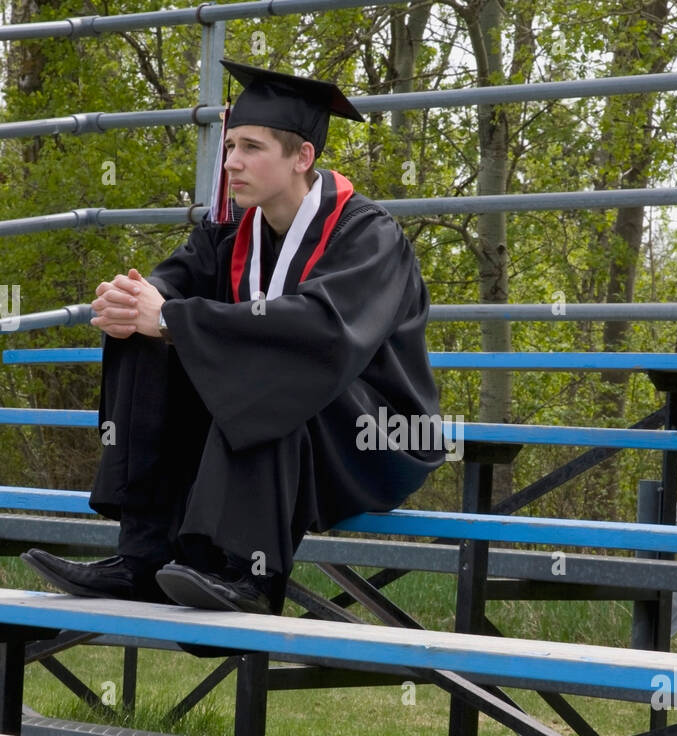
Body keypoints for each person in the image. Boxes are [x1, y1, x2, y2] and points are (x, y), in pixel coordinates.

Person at [22, 60, 445, 615]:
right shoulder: (229, 231)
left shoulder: (369, 237)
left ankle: (248, 573)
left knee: (269, 364)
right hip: (289, 440)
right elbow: (172, 280)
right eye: (229, 147)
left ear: (302, 157)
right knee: (142, 336)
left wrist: (172, 318)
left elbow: (319, 333)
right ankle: (144, 558)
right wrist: (134, 299)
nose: (231, 163)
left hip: (373, 436)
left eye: (250, 148)